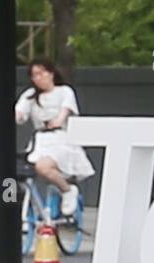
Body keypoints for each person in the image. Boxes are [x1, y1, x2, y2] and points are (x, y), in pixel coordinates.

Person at [14, 58, 95, 216]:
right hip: (40, 141)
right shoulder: (30, 95)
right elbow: (20, 113)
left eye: (41, 73)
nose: (38, 78)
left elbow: (65, 111)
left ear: (51, 73)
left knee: (43, 167)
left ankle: (67, 190)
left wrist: (57, 121)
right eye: (34, 75)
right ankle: (30, 210)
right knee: (22, 171)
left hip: (61, 140)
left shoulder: (64, 91)